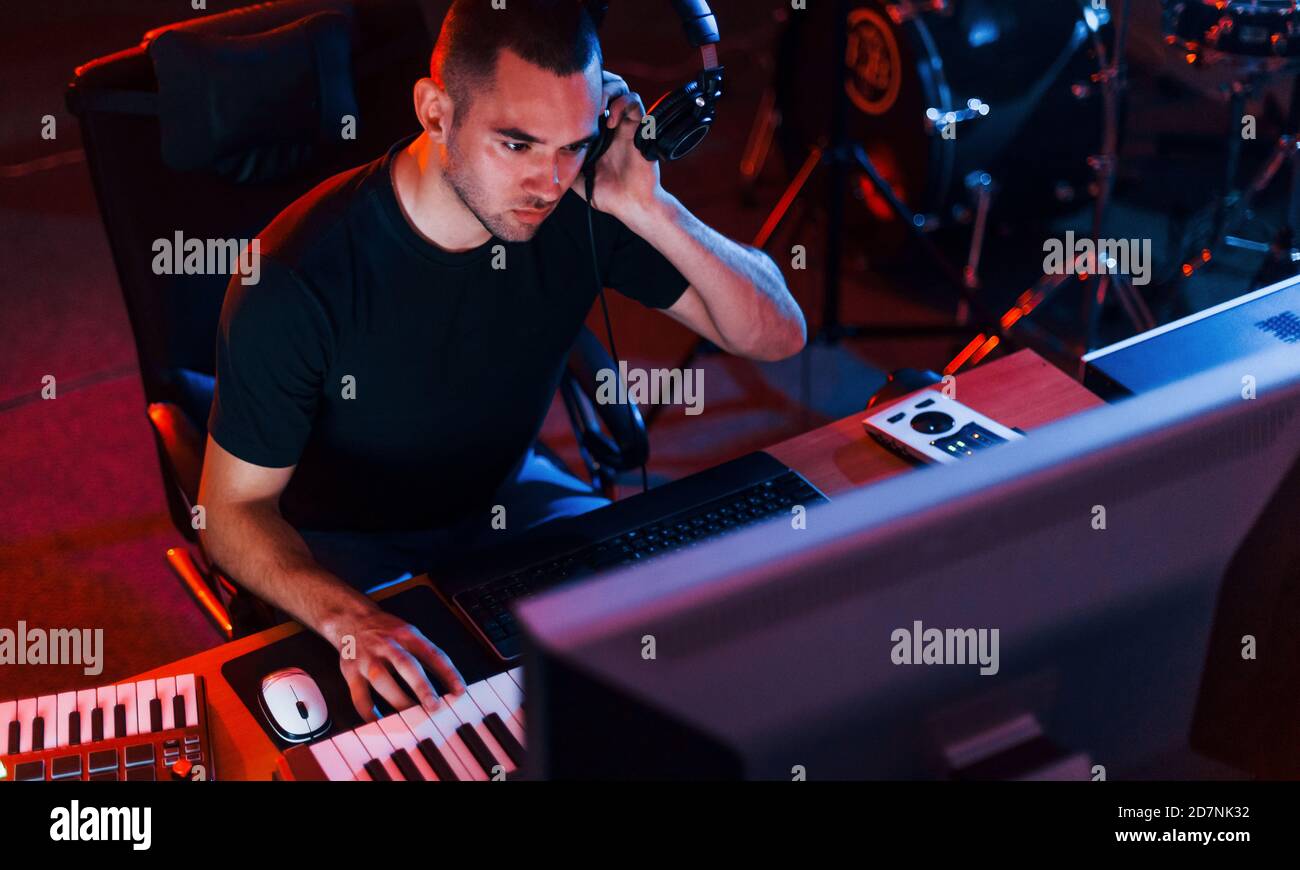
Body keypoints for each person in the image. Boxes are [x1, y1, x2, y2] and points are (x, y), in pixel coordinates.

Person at [197, 0, 806, 721]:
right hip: (341, 553)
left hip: (501, 509)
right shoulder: (294, 278)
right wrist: (346, 619)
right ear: (435, 112)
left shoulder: (580, 201)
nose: (547, 183)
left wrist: (646, 206)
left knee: (676, 659)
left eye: (573, 145)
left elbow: (777, 335)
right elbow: (229, 509)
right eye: (517, 145)